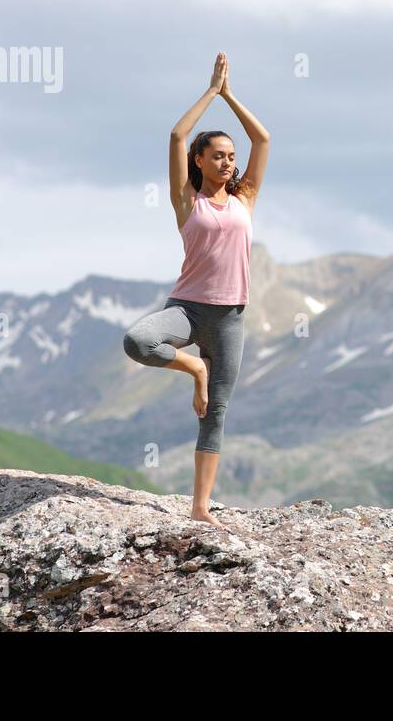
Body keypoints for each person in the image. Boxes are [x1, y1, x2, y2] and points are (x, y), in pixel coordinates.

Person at [122, 52, 270, 528]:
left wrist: (231, 95)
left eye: (231, 157)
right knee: (138, 340)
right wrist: (210, 92)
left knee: (216, 415)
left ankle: (200, 508)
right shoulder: (187, 200)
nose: (227, 163)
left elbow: (262, 138)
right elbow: (176, 135)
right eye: (218, 156)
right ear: (200, 162)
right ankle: (194, 369)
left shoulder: (245, 197)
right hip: (187, 309)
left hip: (230, 318)